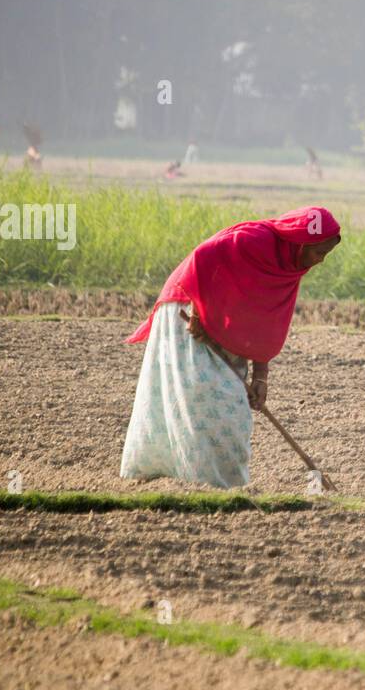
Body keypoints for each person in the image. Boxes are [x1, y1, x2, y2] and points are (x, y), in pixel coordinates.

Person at [120, 207, 342, 488]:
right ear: (301, 242)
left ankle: (219, 485)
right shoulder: (254, 240)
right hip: (188, 310)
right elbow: (203, 257)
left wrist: (261, 377)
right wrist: (199, 313)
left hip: (221, 323)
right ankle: (198, 481)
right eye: (318, 252)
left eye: (325, 254)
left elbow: (266, 320)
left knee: (231, 407)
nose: (320, 261)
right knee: (207, 399)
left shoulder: (289, 266)